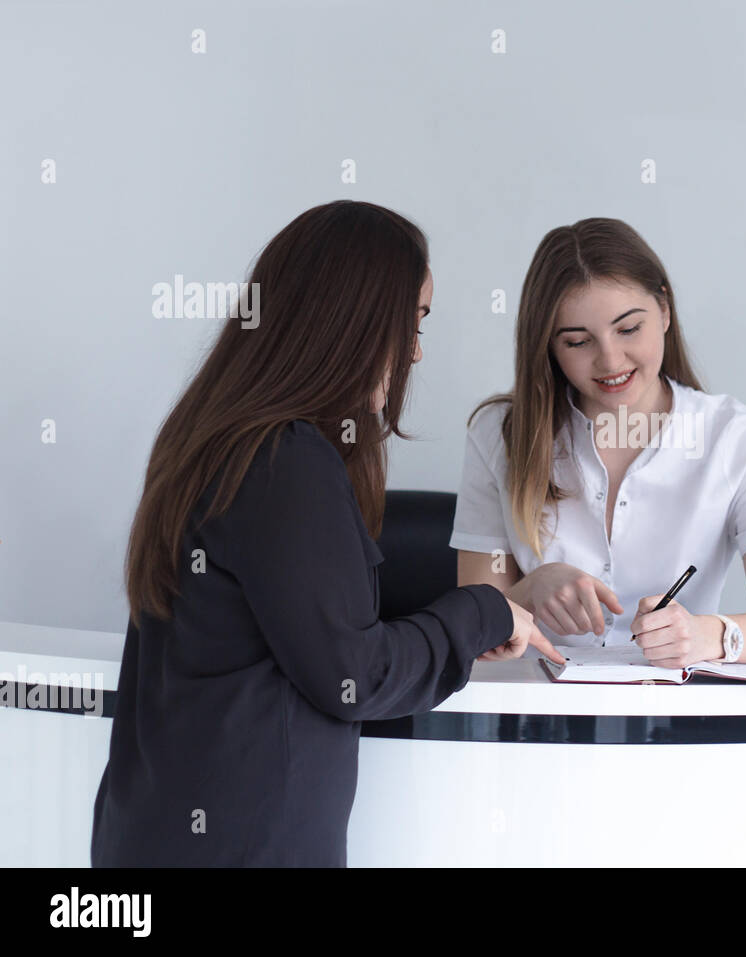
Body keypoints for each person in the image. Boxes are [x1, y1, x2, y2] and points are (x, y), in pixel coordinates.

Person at [91, 200, 562, 867]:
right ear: (351, 320)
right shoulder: (286, 460)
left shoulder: (212, 441)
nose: (418, 350)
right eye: (412, 321)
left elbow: (300, 634)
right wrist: (482, 611)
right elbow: (354, 674)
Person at [452, 218, 746, 669]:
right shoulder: (499, 434)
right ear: (547, 346)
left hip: (673, 715)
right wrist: (531, 589)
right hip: (540, 710)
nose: (610, 360)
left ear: (664, 310)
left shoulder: (737, 437)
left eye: (628, 330)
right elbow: (466, 628)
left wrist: (707, 635)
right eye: (578, 341)